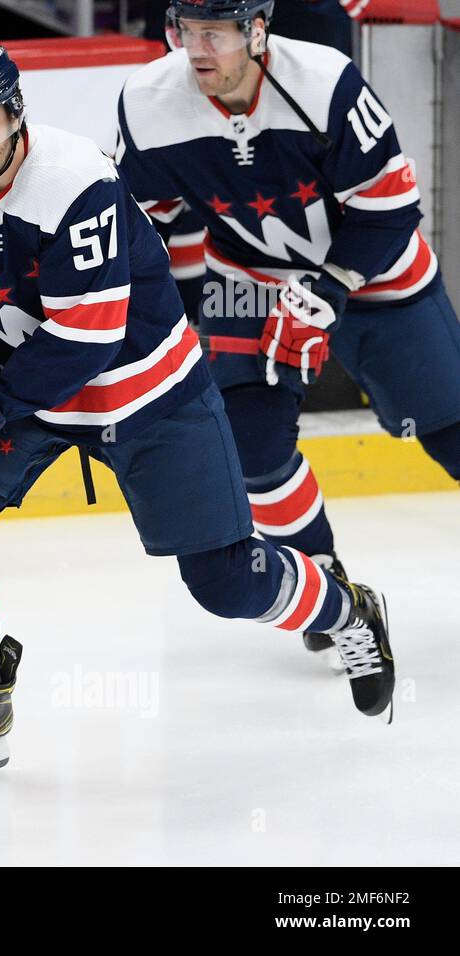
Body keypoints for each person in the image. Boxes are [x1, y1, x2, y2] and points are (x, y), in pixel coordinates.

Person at [0, 35, 395, 780]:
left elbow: (90, 333)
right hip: (32, 394)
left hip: (148, 392)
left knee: (227, 582)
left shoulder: (74, 179)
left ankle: (348, 611)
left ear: (15, 112)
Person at [116, 0, 460, 657]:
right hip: (251, 282)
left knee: (451, 435)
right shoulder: (147, 100)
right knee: (252, 451)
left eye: (214, 31)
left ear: (257, 29)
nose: (196, 48)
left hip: (378, 276)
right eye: (185, 30)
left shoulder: (325, 82)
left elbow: (390, 211)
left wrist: (328, 293)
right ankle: (328, 585)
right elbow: (142, 226)